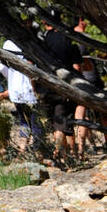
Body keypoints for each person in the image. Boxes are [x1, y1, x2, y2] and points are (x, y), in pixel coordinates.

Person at [40, 20, 83, 161]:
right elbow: (77, 68)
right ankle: (64, 153)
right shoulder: (67, 40)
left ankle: (64, 154)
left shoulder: (42, 41)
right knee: (66, 124)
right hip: (67, 87)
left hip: (48, 87)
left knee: (57, 123)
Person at [0, 40, 41, 149]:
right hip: (29, 91)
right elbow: (31, 68)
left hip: (15, 90)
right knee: (35, 122)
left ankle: (22, 148)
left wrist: (12, 78)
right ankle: (38, 150)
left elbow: (2, 67)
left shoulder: (8, 43)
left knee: (23, 122)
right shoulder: (28, 40)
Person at [71, 18, 104, 157]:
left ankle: (85, 146)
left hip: (75, 79)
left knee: (82, 114)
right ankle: (82, 148)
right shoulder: (82, 38)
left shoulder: (69, 37)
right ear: (80, 20)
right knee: (91, 112)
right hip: (89, 77)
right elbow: (85, 62)